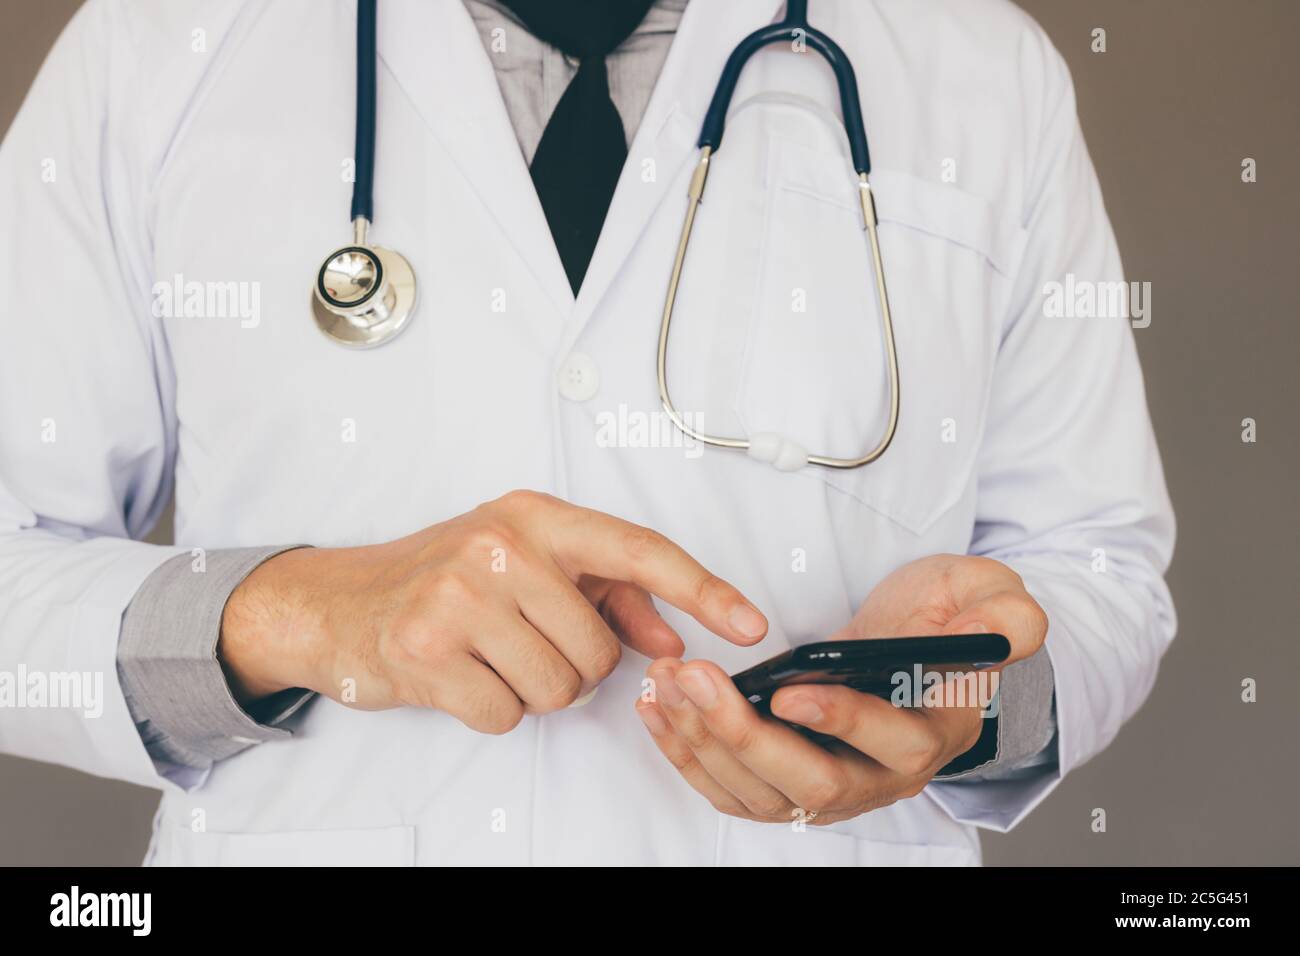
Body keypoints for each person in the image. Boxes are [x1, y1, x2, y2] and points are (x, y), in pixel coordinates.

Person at [0, 0, 1175, 866]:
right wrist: (302, 612)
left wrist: (967, 693)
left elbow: (1098, 568)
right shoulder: (160, 49)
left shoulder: (975, 66)